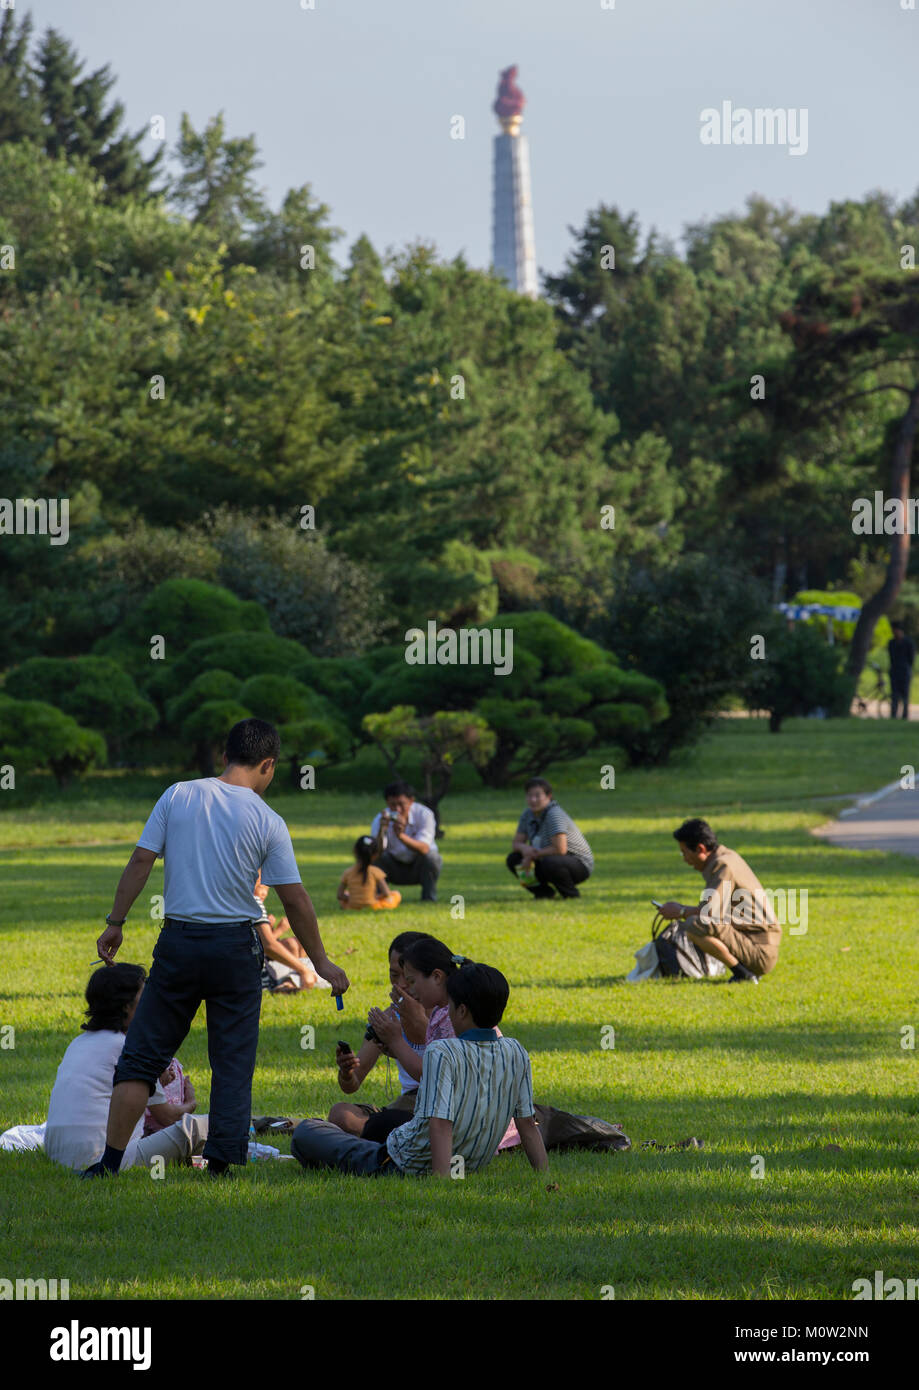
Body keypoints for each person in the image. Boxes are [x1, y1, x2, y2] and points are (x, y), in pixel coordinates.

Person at [84, 717, 349, 1179]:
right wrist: (321, 962)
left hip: (179, 943)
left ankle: (108, 1164)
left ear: (225, 755)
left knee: (142, 1057)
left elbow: (142, 859)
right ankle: (221, 1166)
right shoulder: (268, 820)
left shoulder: (178, 794)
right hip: (235, 948)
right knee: (231, 1061)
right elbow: (295, 898)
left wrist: (116, 923)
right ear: (267, 765)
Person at [290, 961, 548, 1178]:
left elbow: (440, 1123)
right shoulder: (516, 1051)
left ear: (461, 1010)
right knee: (346, 1130)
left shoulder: (442, 1051)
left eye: (449, 1007)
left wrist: (441, 1182)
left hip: (400, 1161)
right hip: (471, 1162)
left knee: (308, 1131)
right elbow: (526, 1123)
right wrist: (543, 1176)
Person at [45, 964, 208, 1172]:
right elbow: (168, 1117)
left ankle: (206, 1159)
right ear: (126, 1006)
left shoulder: (77, 1042)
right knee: (198, 1128)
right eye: (145, 995)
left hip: (58, 1154)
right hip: (102, 1158)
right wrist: (191, 1103)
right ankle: (247, 1138)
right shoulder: (128, 1048)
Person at [328, 931, 428, 1140]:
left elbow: (437, 1077)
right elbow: (353, 1083)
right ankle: (393, 1134)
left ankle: (388, 1134)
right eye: (394, 975)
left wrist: (399, 1040)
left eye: (408, 977)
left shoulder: (445, 1012)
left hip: (440, 1104)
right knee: (341, 1114)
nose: (400, 984)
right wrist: (346, 1071)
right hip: (406, 1107)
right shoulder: (389, 1018)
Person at [658, 818, 781, 983]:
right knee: (697, 923)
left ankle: (743, 974)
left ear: (701, 848)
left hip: (760, 953)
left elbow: (708, 914)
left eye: (684, 852)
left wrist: (680, 911)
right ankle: (744, 972)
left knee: (693, 925)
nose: (684, 859)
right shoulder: (727, 857)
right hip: (758, 944)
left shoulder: (722, 866)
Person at [507, 777, 594, 899]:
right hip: (546, 858)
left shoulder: (554, 814)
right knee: (513, 859)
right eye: (529, 795)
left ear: (548, 796)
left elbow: (560, 849)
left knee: (551, 862)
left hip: (578, 864)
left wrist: (532, 855)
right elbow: (516, 843)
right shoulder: (527, 814)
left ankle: (571, 895)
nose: (533, 800)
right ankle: (543, 893)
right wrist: (524, 849)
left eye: (537, 796)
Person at [369, 781, 442, 903]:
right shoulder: (380, 819)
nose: (397, 809)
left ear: (411, 801)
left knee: (432, 857)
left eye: (401, 804)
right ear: (387, 803)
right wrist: (382, 831)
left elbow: (424, 848)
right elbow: (375, 853)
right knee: (376, 859)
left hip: (419, 866)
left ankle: (429, 899)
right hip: (393, 866)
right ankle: (379, 898)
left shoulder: (424, 814)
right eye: (392, 805)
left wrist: (401, 836)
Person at [252, 875, 320, 993]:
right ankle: (289, 982)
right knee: (316, 970)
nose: (263, 892)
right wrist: (279, 930)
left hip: (262, 965)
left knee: (299, 944)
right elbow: (265, 946)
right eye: (259, 887)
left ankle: (295, 978)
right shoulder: (253, 903)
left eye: (266, 888)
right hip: (262, 972)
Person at [337, 836, 402, 911]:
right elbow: (386, 893)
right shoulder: (375, 872)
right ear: (375, 855)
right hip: (372, 905)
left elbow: (340, 895)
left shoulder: (348, 872)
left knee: (346, 894)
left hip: (353, 906)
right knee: (396, 894)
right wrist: (374, 897)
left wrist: (352, 897)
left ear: (355, 851)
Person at [888, 621, 915, 720]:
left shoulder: (908, 642)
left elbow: (911, 658)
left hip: (904, 671)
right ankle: (893, 715)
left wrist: (908, 668)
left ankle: (905, 715)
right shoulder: (891, 643)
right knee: (894, 695)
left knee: (905, 695)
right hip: (894, 671)